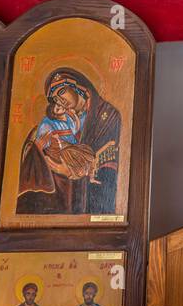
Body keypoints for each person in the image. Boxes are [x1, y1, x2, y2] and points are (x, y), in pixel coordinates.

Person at [16, 69, 121, 216]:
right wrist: (37, 149)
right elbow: (36, 147)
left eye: (62, 91)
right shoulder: (54, 122)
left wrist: (70, 173)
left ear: (79, 87)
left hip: (87, 205)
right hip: (59, 202)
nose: (59, 100)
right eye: (55, 99)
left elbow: (108, 171)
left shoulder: (107, 117)